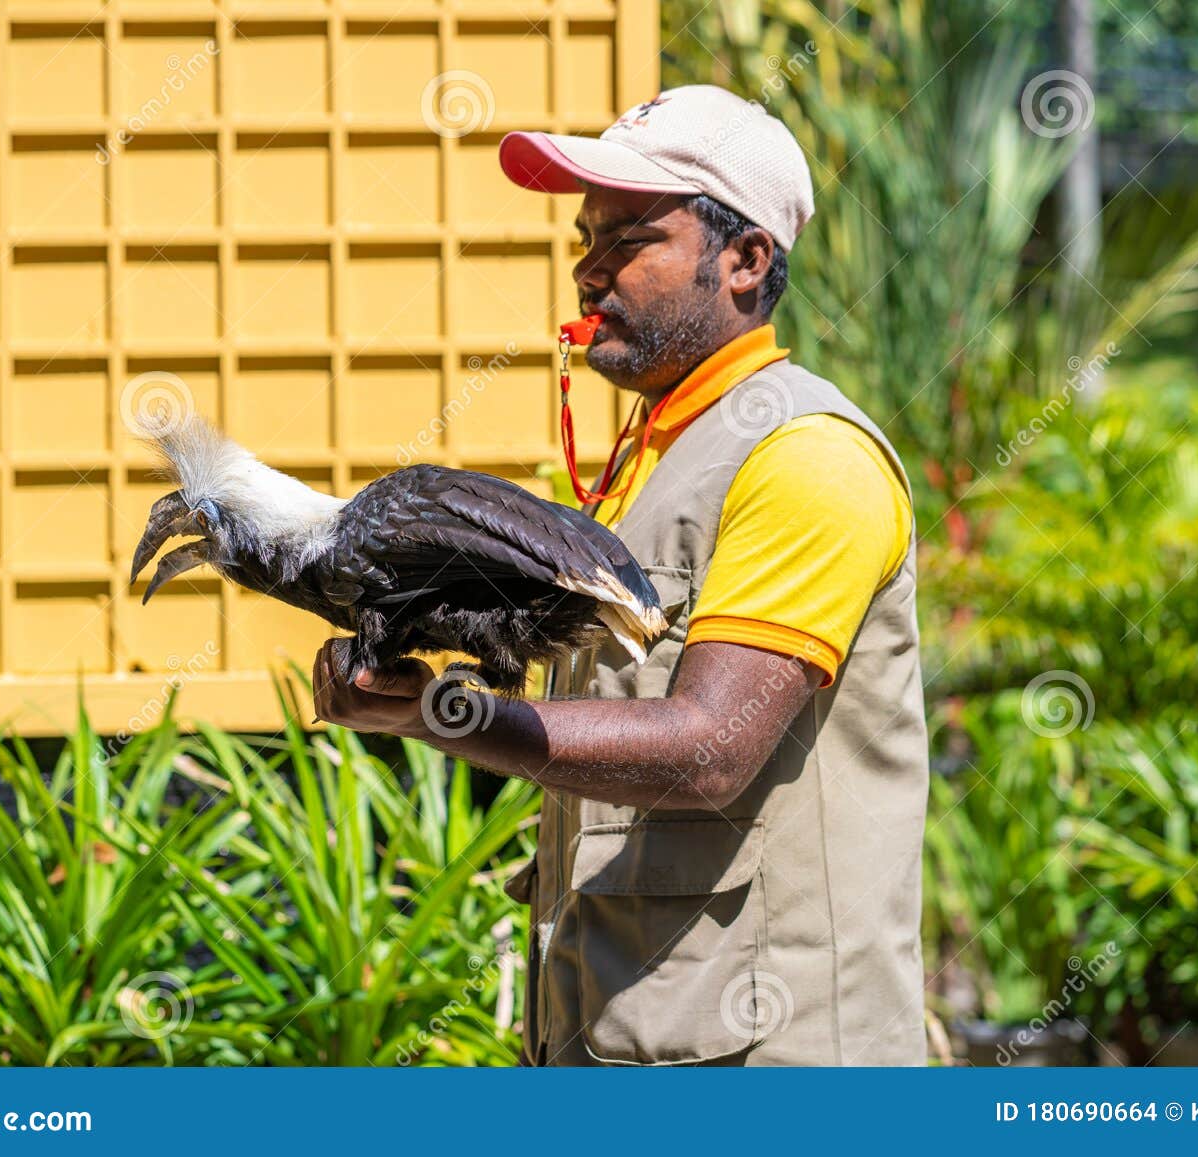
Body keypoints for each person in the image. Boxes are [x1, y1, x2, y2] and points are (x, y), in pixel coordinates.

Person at [312, 84, 928, 1066]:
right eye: (583, 236)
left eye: (628, 237)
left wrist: (442, 713)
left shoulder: (806, 455)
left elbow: (708, 747)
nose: (587, 267)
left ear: (745, 259)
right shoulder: (654, 453)